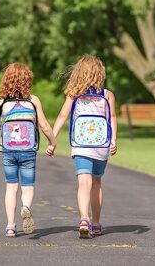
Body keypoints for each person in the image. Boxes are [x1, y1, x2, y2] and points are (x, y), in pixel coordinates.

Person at [0, 63, 56, 237]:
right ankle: (26, 207)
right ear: (27, 81)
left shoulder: (1, 104)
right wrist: (52, 142)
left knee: (11, 187)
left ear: (6, 81)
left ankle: (10, 226)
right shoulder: (33, 101)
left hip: (8, 151)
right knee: (27, 186)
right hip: (28, 151)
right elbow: (45, 125)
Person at [53, 55, 117, 238]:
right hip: (101, 144)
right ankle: (95, 223)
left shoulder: (74, 94)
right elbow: (111, 118)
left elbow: (62, 116)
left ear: (78, 73)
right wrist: (114, 140)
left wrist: (53, 138)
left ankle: (83, 218)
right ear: (100, 74)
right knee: (96, 182)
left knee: (83, 182)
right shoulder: (108, 95)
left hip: (81, 145)